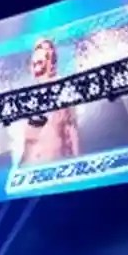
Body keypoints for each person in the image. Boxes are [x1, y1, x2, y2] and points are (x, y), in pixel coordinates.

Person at [12, 38, 81, 168]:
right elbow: (29, 140)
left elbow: (71, 127)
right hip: (31, 163)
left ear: (51, 59)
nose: (41, 52)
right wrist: (21, 166)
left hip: (54, 161)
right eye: (38, 49)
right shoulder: (30, 94)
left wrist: (77, 161)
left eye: (45, 50)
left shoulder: (61, 87)